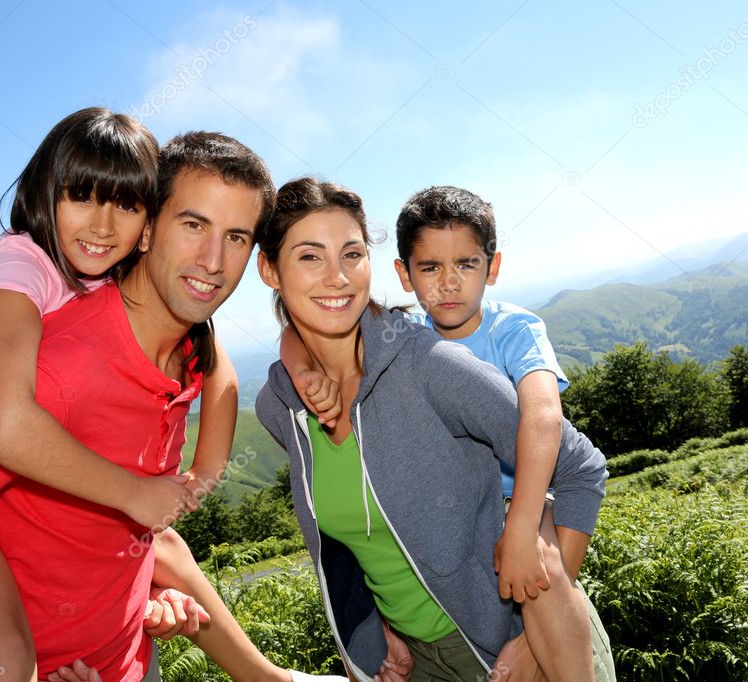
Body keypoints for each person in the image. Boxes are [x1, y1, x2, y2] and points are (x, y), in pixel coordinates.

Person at [0, 132, 343, 681]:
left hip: (131, 662)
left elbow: (211, 382)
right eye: (193, 225)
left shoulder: (192, 352)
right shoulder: (47, 376)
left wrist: (149, 573)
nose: (213, 260)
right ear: (147, 231)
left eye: (236, 236)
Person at [255, 177, 608, 681]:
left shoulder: (431, 364)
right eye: (310, 257)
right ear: (270, 269)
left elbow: (578, 467)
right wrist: (374, 631)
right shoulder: (281, 405)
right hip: (411, 666)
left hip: (513, 653)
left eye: (352, 254)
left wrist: (532, 633)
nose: (337, 276)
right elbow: (350, 541)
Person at [392, 186, 616, 680]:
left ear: (491, 268)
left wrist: (520, 525)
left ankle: (533, 647)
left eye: (466, 264)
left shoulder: (512, 329)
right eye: (429, 267)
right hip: (462, 518)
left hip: (530, 499)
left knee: (541, 560)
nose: (448, 283)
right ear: (404, 275)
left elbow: (542, 415)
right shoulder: (403, 342)